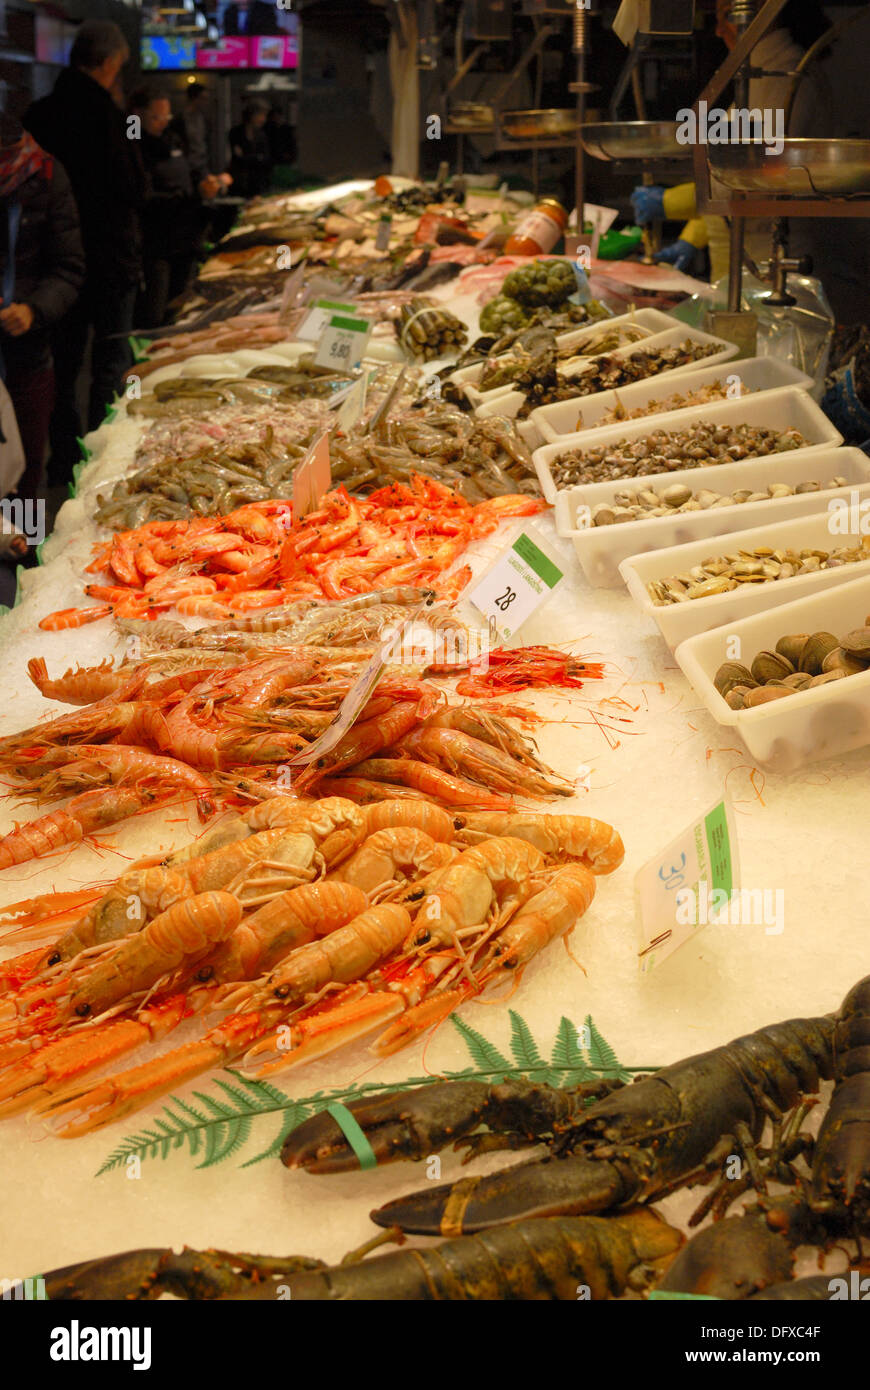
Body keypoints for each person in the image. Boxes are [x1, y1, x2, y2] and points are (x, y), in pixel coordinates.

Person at [630, 0, 830, 278]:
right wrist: (692, 236)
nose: (718, 30)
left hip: (774, 267)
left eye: (727, 16)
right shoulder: (758, 77)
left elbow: (755, 179)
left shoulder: (786, 77)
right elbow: (725, 177)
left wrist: (671, 202)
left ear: (761, 13)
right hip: (744, 264)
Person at [24, 19, 144, 480]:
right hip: (110, 259)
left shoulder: (40, 114)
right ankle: (101, 455)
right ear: (111, 62)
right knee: (111, 358)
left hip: (51, 267)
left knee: (59, 360)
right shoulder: (118, 119)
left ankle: (62, 456)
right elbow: (135, 184)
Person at [0, 116, 84, 503]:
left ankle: (27, 548)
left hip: (27, 350)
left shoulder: (47, 174)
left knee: (27, 464)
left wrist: (33, 310)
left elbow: (68, 267)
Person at [131, 89, 222, 331]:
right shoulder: (133, 146)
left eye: (166, 117)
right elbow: (142, 198)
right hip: (155, 244)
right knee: (153, 311)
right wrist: (190, 197)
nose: (162, 123)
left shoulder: (172, 138)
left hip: (186, 238)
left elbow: (192, 170)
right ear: (137, 115)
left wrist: (206, 182)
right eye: (155, 118)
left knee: (180, 306)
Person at [227, 102, 272, 199]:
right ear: (252, 114)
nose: (263, 119)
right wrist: (257, 157)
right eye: (261, 115)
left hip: (256, 184)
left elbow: (265, 159)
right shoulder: (236, 132)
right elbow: (237, 158)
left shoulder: (262, 135)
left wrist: (247, 156)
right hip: (238, 183)